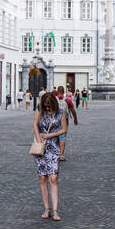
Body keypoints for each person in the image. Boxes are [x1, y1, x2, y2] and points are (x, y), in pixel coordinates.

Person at [33, 90, 67, 221]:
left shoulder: (60, 112)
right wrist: (38, 138)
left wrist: (50, 135)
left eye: (49, 106)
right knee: (42, 178)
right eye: (45, 106)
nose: (47, 108)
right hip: (40, 148)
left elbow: (64, 129)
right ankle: (46, 208)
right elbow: (35, 124)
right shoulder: (39, 110)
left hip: (53, 147)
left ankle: (55, 210)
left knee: (53, 178)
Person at [57, 86, 78, 162]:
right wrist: (75, 119)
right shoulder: (67, 100)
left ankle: (54, 153)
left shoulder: (53, 100)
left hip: (54, 121)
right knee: (62, 137)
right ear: (63, 92)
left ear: (57, 91)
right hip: (64, 121)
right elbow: (73, 110)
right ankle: (61, 155)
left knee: (54, 136)